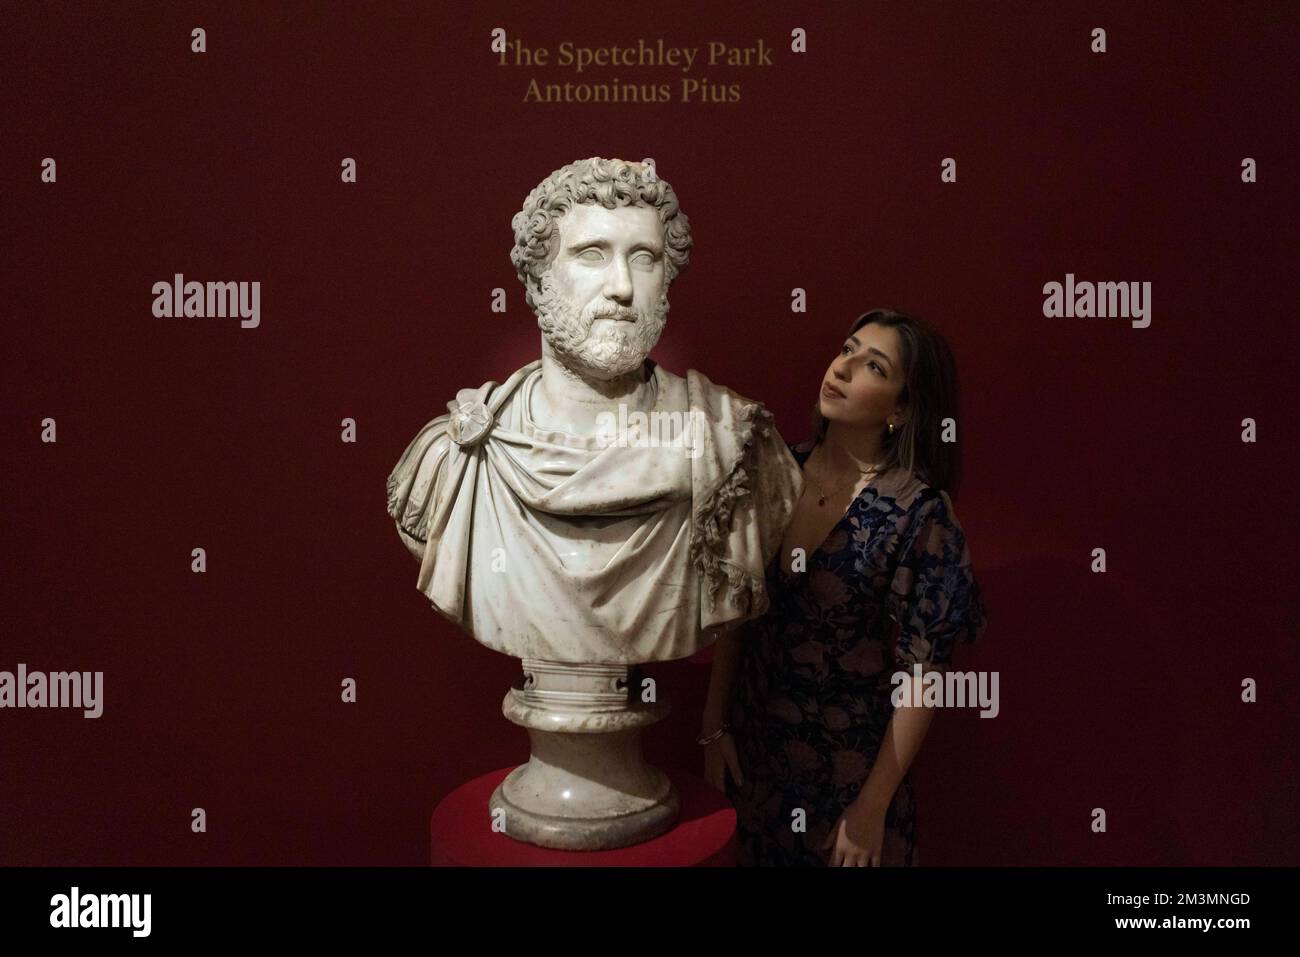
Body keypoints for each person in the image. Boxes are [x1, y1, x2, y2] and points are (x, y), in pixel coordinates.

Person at [698, 308, 989, 866]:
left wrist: (872, 806)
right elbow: (736, 609)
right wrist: (714, 729)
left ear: (902, 408)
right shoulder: (775, 471)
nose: (843, 368)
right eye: (847, 349)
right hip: (756, 765)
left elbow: (923, 675)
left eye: (873, 366)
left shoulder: (918, 513)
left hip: (848, 782)